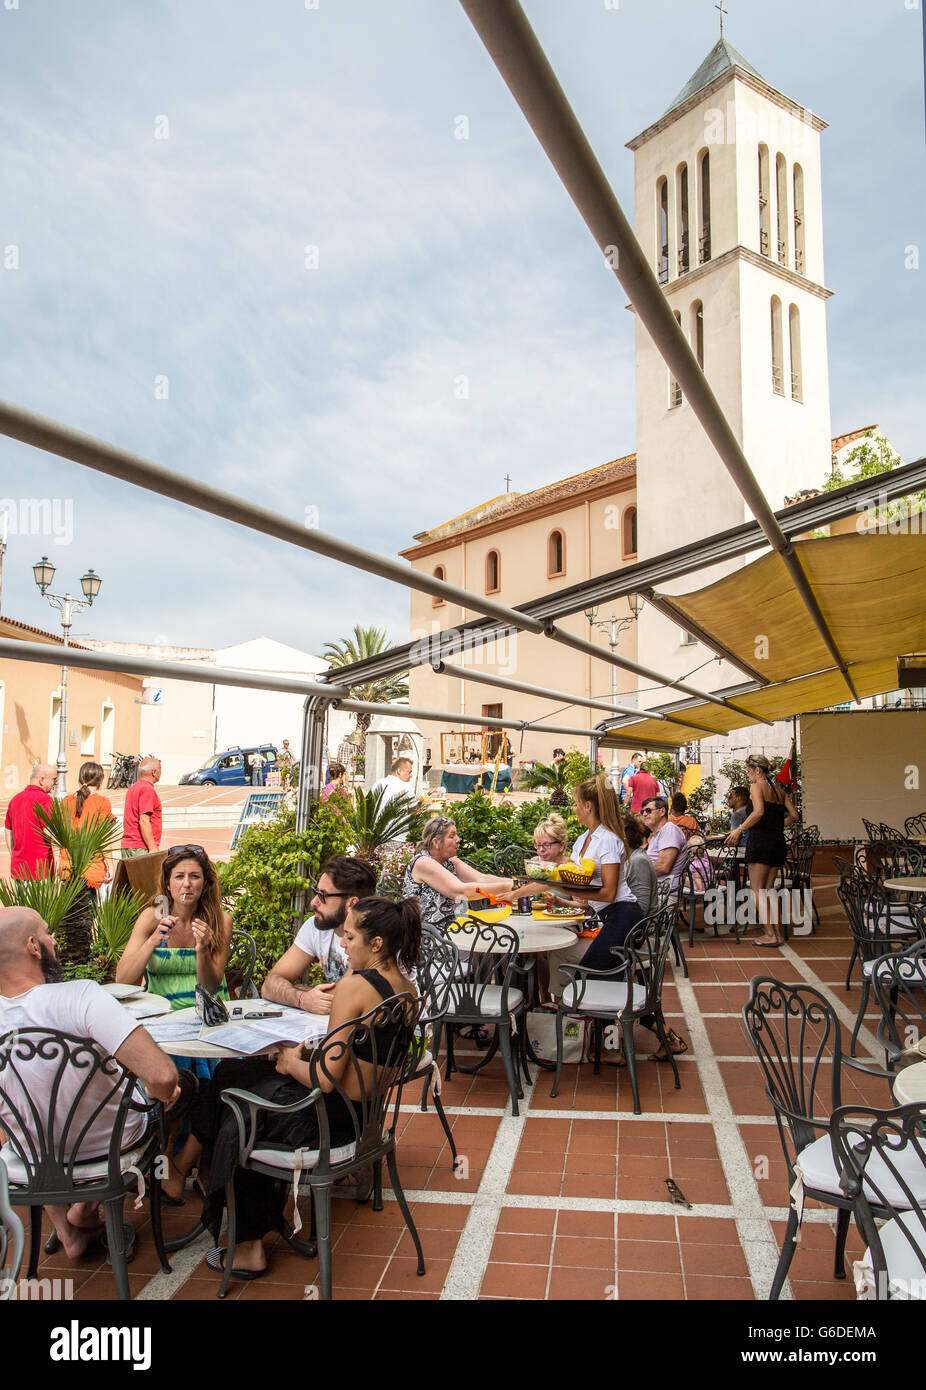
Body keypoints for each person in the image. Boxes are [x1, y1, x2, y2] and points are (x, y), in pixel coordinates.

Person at [196, 896, 421, 1281]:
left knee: (233, 1100)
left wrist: (288, 1061)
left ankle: (246, 1241)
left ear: (377, 943)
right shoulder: (407, 990)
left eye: (349, 937)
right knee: (236, 1076)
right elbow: (360, 1057)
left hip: (326, 1122)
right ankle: (228, 1190)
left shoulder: (354, 985)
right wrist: (301, 1059)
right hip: (365, 1118)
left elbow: (324, 1081)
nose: (343, 945)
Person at [0, 906, 182, 1260]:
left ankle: (70, 1234)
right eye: (49, 933)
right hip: (106, 1149)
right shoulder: (79, 996)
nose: (55, 940)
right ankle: (84, 1208)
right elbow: (161, 1076)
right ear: (34, 947)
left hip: (29, 1156)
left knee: (26, 1125)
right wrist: (163, 1089)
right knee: (181, 1086)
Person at [116, 844, 233, 1198]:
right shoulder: (152, 916)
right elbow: (123, 978)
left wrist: (201, 950)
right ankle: (170, 1156)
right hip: (163, 1015)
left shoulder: (218, 920)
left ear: (205, 882)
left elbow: (211, 984)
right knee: (176, 1072)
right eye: (179, 876)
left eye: (194, 876)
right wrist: (153, 939)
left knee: (221, 1077)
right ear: (167, 884)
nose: (187, 884)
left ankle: (183, 1160)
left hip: (206, 1014)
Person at [261, 855, 378, 1014]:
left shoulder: (376, 937)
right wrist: (302, 998)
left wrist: (302, 990)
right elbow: (270, 984)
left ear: (352, 903)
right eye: (316, 892)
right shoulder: (315, 926)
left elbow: (356, 998)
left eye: (323, 895)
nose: (314, 902)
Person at [725, 755, 798, 947]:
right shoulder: (779, 790)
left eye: (749, 771)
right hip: (777, 842)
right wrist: (776, 825)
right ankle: (778, 934)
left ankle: (770, 934)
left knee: (757, 889)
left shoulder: (757, 787)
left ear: (758, 770)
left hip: (761, 842)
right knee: (769, 890)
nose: (748, 775)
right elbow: (794, 815)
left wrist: (740, 829)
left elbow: (758, 812)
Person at [402, 817, 514, 929]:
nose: (458, 839)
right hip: (426, 937)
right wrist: (507, 886)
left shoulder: (450, 862)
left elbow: (482, 879)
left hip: (453, 930)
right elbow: (460, 891)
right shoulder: (423, 862)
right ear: (436, 842)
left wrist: (517, 883)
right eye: (451, 836)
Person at [60, 761, 115, 896]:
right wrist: (110, 864)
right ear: (100, 781)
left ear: (80, 779)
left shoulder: (66, 801)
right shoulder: (101, 802)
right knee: (88, 913)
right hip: (91, 866)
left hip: (68, 866)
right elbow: (104, 837)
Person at [4, 763, 56, 880]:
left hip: (19, 869)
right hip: (40, 871)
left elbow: (8, 830)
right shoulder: (45, 800)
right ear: (42, 780)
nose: (55, 783)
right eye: (53, 779)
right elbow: (49, 831)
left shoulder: (15, 799)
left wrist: (13, 854)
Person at [120, 757, 162, 857]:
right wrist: (152, 847)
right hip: (140, 847)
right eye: (160, 769)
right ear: (154, 772)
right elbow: (144, 820)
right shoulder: (147, 789)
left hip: (129, 845)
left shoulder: (133, 787)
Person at [642, 797, 689, 887]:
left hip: (664, 894)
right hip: (652, 890)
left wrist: (634, 872)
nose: (644, 814)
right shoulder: (657, 834)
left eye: (648, 811)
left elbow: (663, 867)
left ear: (662, 811)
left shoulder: (669, 830)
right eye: (642, 812)